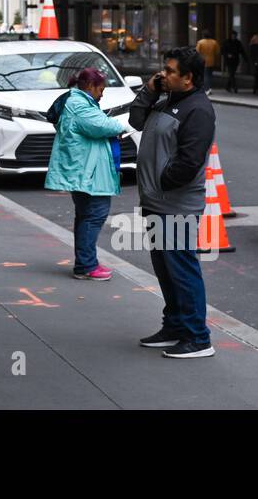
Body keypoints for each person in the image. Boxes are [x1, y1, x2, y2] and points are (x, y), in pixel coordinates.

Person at [128, 47, 217, 358]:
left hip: (176, 205)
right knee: (165, 270)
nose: (162, 74)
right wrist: (148, 91)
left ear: (188, 78)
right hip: (156, 201)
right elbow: (136, 120)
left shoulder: (198, 110)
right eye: (162, 69)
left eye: (169, 70)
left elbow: (190, 162)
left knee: (181, 269)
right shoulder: (168, 101)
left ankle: (198, 337)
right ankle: (175, 325)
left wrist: (161, 182)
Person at [44, 67, 127, 282]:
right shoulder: (79, 104)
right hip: (87, 172)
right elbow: (104, 125)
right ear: (90, 86)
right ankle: (86, 265)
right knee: (95, 214)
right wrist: (119, 126)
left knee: (85, 215)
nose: (102, 94)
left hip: (83, 169)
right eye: (101, 89)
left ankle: (85, 263)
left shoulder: (76, 101)